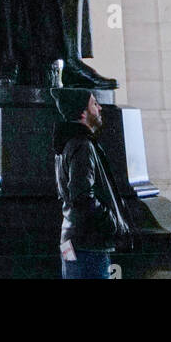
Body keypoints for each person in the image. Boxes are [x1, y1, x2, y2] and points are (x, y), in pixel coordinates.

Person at [53, 88, 128, 279]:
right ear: (82, 112)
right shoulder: (82, 146)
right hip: (88, 245)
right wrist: (111, 222)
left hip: (73, 242)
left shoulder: (68, 144)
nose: (100, 108)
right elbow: (82, 196)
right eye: (94, 104)